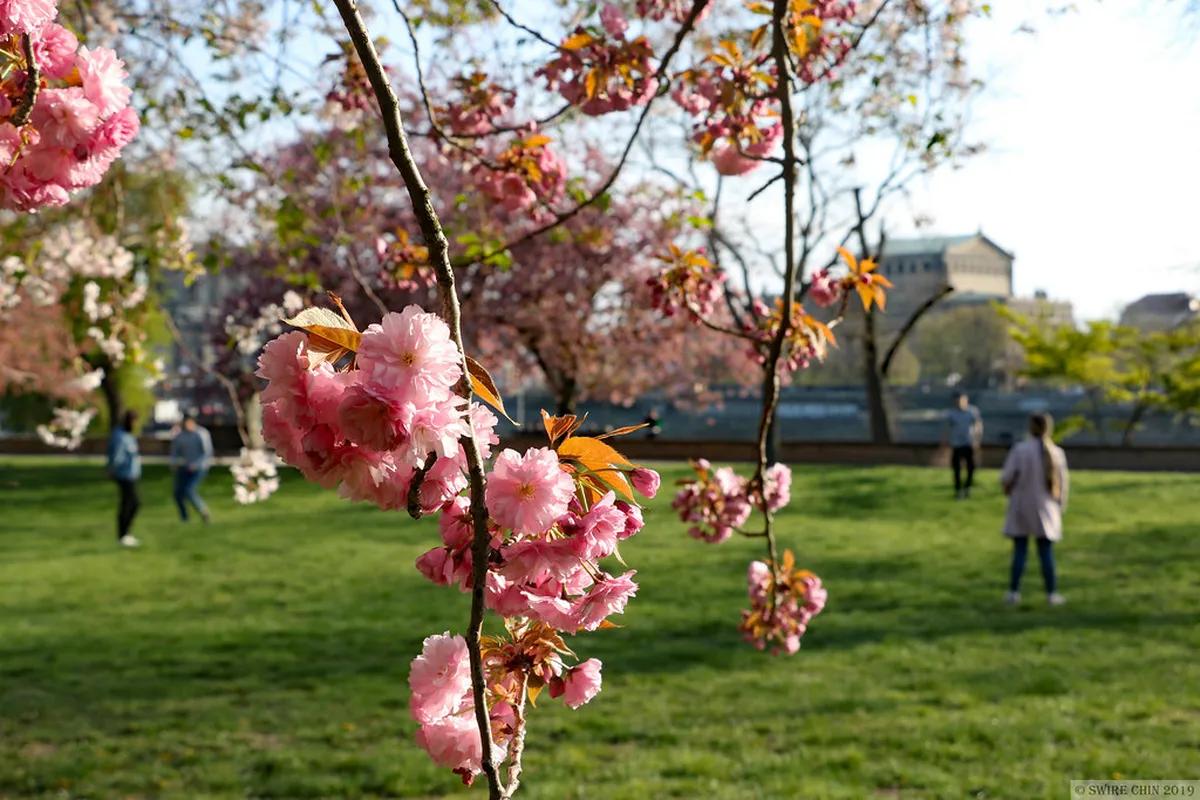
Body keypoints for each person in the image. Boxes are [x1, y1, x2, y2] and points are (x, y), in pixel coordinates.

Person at [1000, 412, 1069, 606]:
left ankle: (1013, 592)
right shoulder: (1056, 453)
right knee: (1045, 551)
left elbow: (1006, 478)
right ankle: (1051, 593)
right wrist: (1060, 507)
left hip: (1021, 505)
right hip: (1046, 508)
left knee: (1020, 550)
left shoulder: (1020, 450)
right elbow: (1062, 485)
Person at [106, 410, 142, 548]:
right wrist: (112, 469)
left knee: (132, 503)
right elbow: (117, 456)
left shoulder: (127, 435)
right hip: (124, 475)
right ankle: (123, 535)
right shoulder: (120, 436)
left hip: (132, 474)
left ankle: (126, 533)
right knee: (130, 503)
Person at [170, 412, 213, 523]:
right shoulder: (180, 436)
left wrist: (196, 464)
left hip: (199, 468)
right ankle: (184, 518)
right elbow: (175, 452)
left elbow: (207, 453)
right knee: (178, 493)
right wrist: (174, 463)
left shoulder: (201, 434)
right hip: (185, 467)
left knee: (189, 490)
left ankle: (203, 512)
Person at [946, 392, 982, 499]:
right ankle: (958, 489)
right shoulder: (951, 414)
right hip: (956, 444)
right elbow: (947, 428)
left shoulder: (972, 412)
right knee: (956, 468)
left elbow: (978, 425)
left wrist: (977, 439)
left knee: (971, 467)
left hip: (969, 443)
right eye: (956, 401)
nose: (959, 403)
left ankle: (967, 487)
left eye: (961, 400)